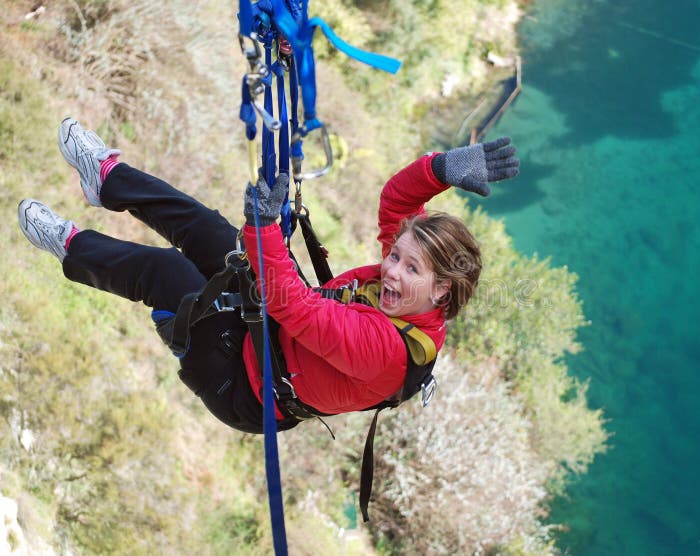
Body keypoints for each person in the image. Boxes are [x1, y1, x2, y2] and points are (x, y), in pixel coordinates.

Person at [18, 118, 519, 434]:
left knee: (170, 273)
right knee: (207, 228)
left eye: (410, 267)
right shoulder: (410, 290)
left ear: (441, 289)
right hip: (277, 330)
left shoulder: (384, 349)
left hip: (248, 384)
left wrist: (263, 229)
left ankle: (69, 244)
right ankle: (107, 179)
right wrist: (440, 169)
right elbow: (396, 204)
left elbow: (292, 304)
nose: (391, 267)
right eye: (396, 256)